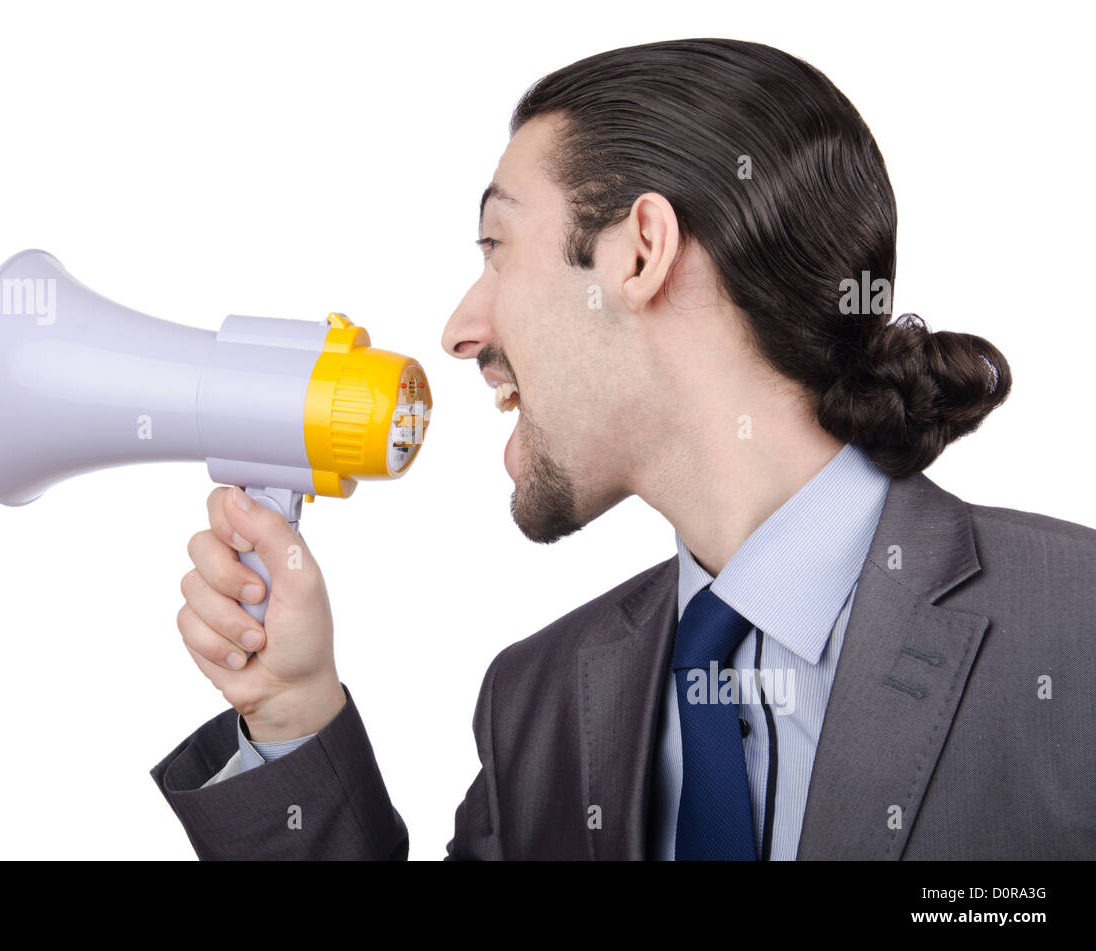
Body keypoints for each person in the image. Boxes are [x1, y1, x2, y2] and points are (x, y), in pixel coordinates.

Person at [152, 38, 1096, 860]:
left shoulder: (1073, 629)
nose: (459, 328)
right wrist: (292, 710)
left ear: (640, 252)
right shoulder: (541, 701)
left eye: (496, 245)